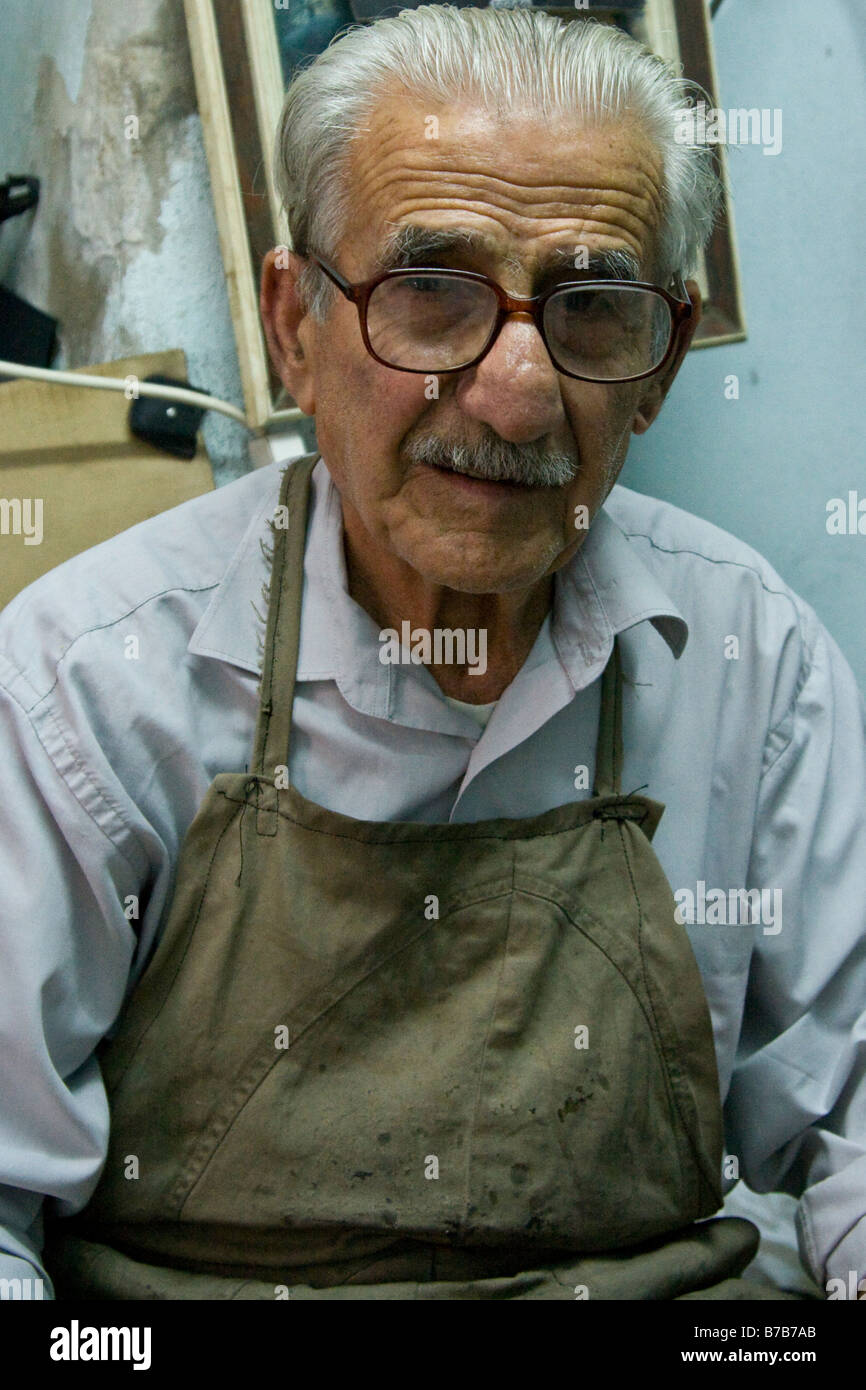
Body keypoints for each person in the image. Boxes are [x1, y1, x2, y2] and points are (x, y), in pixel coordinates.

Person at [1, 5, 864, 1301]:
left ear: (660, 360)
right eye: (428, 290)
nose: (517, 391)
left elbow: (849, 1131)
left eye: (590, 305)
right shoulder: (89, 673)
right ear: (293, 324)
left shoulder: (749, 659)